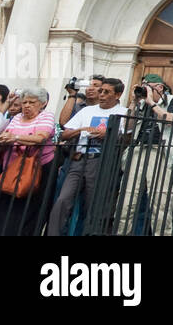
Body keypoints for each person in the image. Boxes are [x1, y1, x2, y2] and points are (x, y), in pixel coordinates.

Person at [47, 77, 126, 236]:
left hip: (101, 162)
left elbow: (127, 138)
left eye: (106, 92)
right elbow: (65, 133)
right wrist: (83, 129)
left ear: (117, 95)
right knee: (63, 200)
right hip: (79, 160)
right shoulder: (87, 110)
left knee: (93, 206)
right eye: (101, 90)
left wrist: (108, 133)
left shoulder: (123, 113)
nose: (101, 94)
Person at [0, 86, 57, 235]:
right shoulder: (16, 118)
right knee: (3, 208)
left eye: (32, 102)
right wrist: (5, 138)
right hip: (11, 170)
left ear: (42, 103)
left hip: (35, 170)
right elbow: (6, 135)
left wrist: (16, 138)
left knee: (27, 209)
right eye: (25, 102)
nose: (27, 105)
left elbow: (40, 137)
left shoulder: (46, 116)